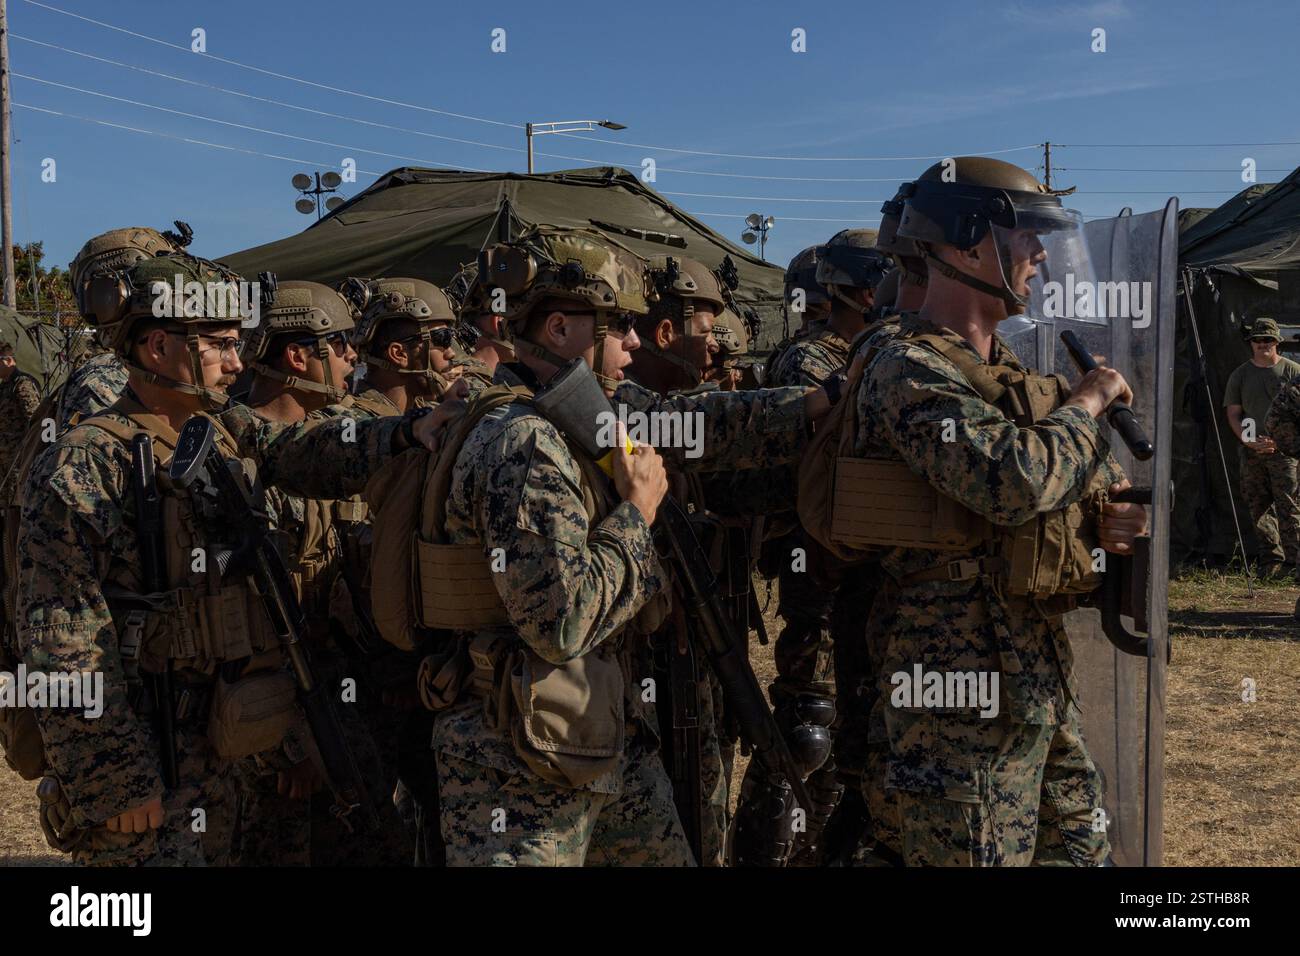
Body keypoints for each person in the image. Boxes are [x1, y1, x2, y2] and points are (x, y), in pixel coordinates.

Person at [14, 246, 441, 866]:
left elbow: (307, 451)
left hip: (234, 740)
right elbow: (61, 641)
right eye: (219, 343)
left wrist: (406, 433)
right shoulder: (86, 461)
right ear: (157, 347)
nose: (237, 361)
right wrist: (114, 781)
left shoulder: (219, 430)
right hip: (154, 753)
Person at [427, 225, 834, 866]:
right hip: (517, 758)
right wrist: (639, 514)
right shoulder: (526, 443)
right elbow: (561, 623)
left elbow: (702, 422)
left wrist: (819, 405)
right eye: (620, 326)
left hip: (595, 728)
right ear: (559, 330)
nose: (639, 342)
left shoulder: (586, 419)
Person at [856, 156, 1148, 866]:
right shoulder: (905, 366)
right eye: (1025, 236)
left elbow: (1087, 481)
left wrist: (1114, 519)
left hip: (1037, 679)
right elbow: (1012, 480)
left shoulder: (1008, 375)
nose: (1040, 255)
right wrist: (1090, 402)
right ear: (963, 243)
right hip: (954, 701)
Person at [236, 279, 411, 866]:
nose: (353, 357)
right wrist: (290, 741)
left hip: (351, 703)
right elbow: (254, 623)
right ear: (297, 356)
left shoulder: (335, 440)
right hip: (290, 731)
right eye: (339, 345)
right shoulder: (242, 457)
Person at [1223, 318, 1300, 576]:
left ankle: (1296, 563)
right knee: (1258, 506)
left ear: (1277, 342)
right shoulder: (1240, 375)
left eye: (1267, 339)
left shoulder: (1293, 372)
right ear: (1251, 343)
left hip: (1286, 453)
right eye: (1257, 340)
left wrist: (1282, 441)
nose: (1262, 344)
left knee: (1290, 506)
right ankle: (1271, 561)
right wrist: (1248, 441)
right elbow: (1234, 413)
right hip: (1252, 451)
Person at [348, 277, 479, 414]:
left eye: (450, 337)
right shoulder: (356, 424)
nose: (451, 353)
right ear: (398, 354)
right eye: (442, 338)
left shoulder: (427, 415)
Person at [0, 339, 41, 492]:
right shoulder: (5, 385)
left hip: (18, 457)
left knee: (15, 499)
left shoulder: (22, 384)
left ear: (8, 361)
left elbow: (35, 418)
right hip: (4, 455)